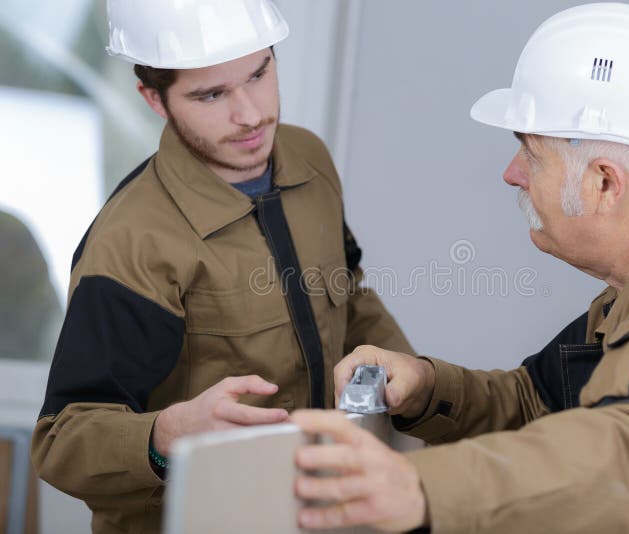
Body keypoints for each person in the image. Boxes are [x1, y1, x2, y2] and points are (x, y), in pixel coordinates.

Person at [290, 4, 629, 533]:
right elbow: (541, 403)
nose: (511, 175)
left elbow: (620, 466)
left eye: (530, 154)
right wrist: (426, 386)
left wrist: (418, 488)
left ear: (605, 183)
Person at [30, 1, 412, 532]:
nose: (251, 115)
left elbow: (348, 294)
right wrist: (167, 434)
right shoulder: (132, 242)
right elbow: (62, 441)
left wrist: (407, 379)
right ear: (154, 98)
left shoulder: (309, 160)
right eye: (211, 94)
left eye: (259, 74)